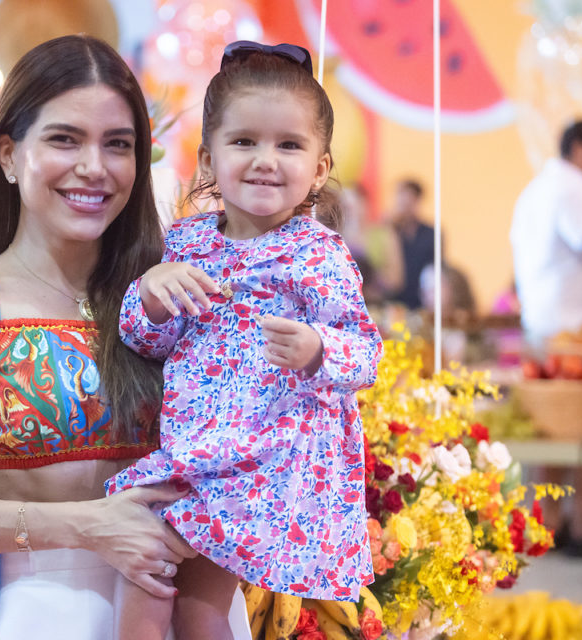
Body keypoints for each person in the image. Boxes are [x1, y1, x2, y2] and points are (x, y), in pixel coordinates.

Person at [0, 35, 248, 639]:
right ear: (8, 155)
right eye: (64, 139)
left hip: (189, 607)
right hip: (42, 608)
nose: (94, 167)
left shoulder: (173, 293)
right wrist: (87, 526)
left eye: (117, 144)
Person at [106, 42, 383, 640]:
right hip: (196, 450)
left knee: (168, 578)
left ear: (321, 168)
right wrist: (151, 296)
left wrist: (317, 349)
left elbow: (365, 352)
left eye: (289, 145)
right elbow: (148, 341)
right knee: (174, 590)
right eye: (244, 141)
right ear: (209, 158)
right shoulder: (186, 243)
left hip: (267, 462)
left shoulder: (319, 254)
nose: (265, 160)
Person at [510, 119, 582, 558]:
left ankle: (554, 525)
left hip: (551, 323)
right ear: (580, 148)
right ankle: (575, 527)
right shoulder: (569, 188)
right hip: (571, 332)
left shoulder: (540, 188)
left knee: (555, 435)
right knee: (579, 433)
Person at [388, 179, 435, 309]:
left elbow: (434, 267)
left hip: (421, 299)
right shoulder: (390, 231)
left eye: (409, 201)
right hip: (394, 299)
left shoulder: (431, 234)